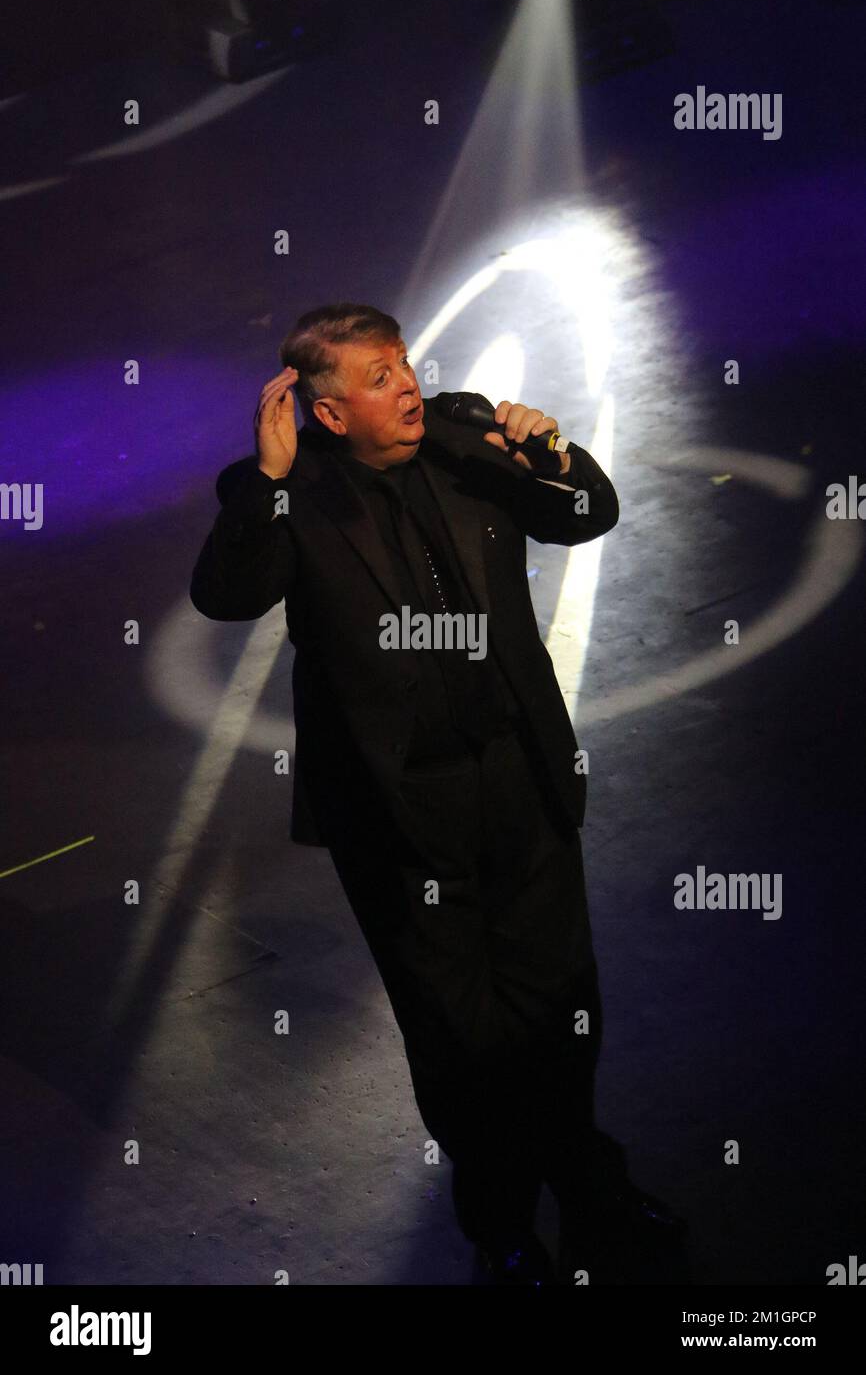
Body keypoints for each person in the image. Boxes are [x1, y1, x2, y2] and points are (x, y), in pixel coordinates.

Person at [189, 302, 686, 1284]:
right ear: (326, 412)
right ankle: (500, 1228)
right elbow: (225, 592)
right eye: (376, 377)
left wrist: (551, 454)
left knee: (557, 1005)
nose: (406, 385)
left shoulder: (465, 441)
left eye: (402, 363)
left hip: (517, 774)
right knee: (460, 1038)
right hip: (398, 809)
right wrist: (269, 480)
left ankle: (588, 1190)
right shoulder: (293, 496)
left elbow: (587, 515)